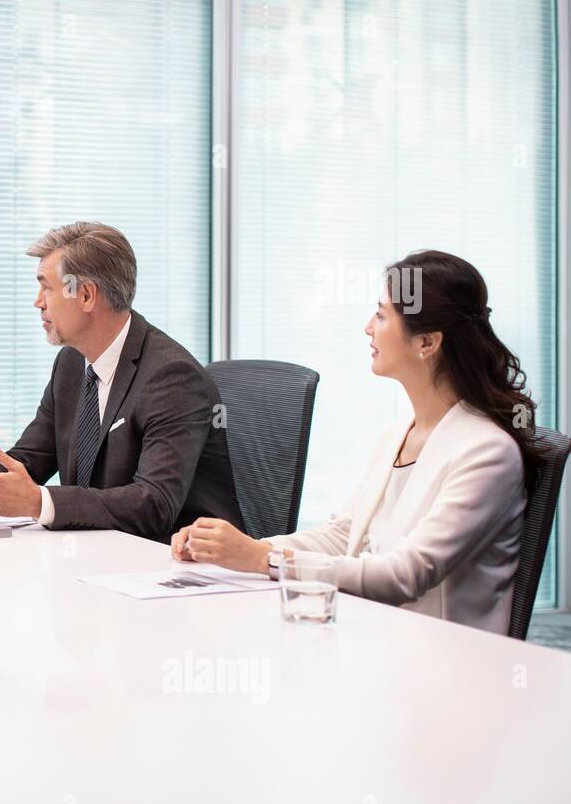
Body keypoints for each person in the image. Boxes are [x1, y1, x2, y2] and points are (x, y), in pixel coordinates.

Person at [172, 250, 538, 635]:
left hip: (441, 660)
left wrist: (262, 558)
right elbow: (346, 534)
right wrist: (230, 549)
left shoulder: (487, 454)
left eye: (381, 315)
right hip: (379, 635)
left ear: (426, 343)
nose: (368, 328)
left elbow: (404, 576)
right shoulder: (401, 432)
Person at [0, 221, 243, 539]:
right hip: (100, 554)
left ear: (86, 295)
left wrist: (37, 502)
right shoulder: (71, 363)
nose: (37, 301)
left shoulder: (171, 377)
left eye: (46, 286)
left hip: (177, 565)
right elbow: (30, 461)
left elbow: (154, 503)